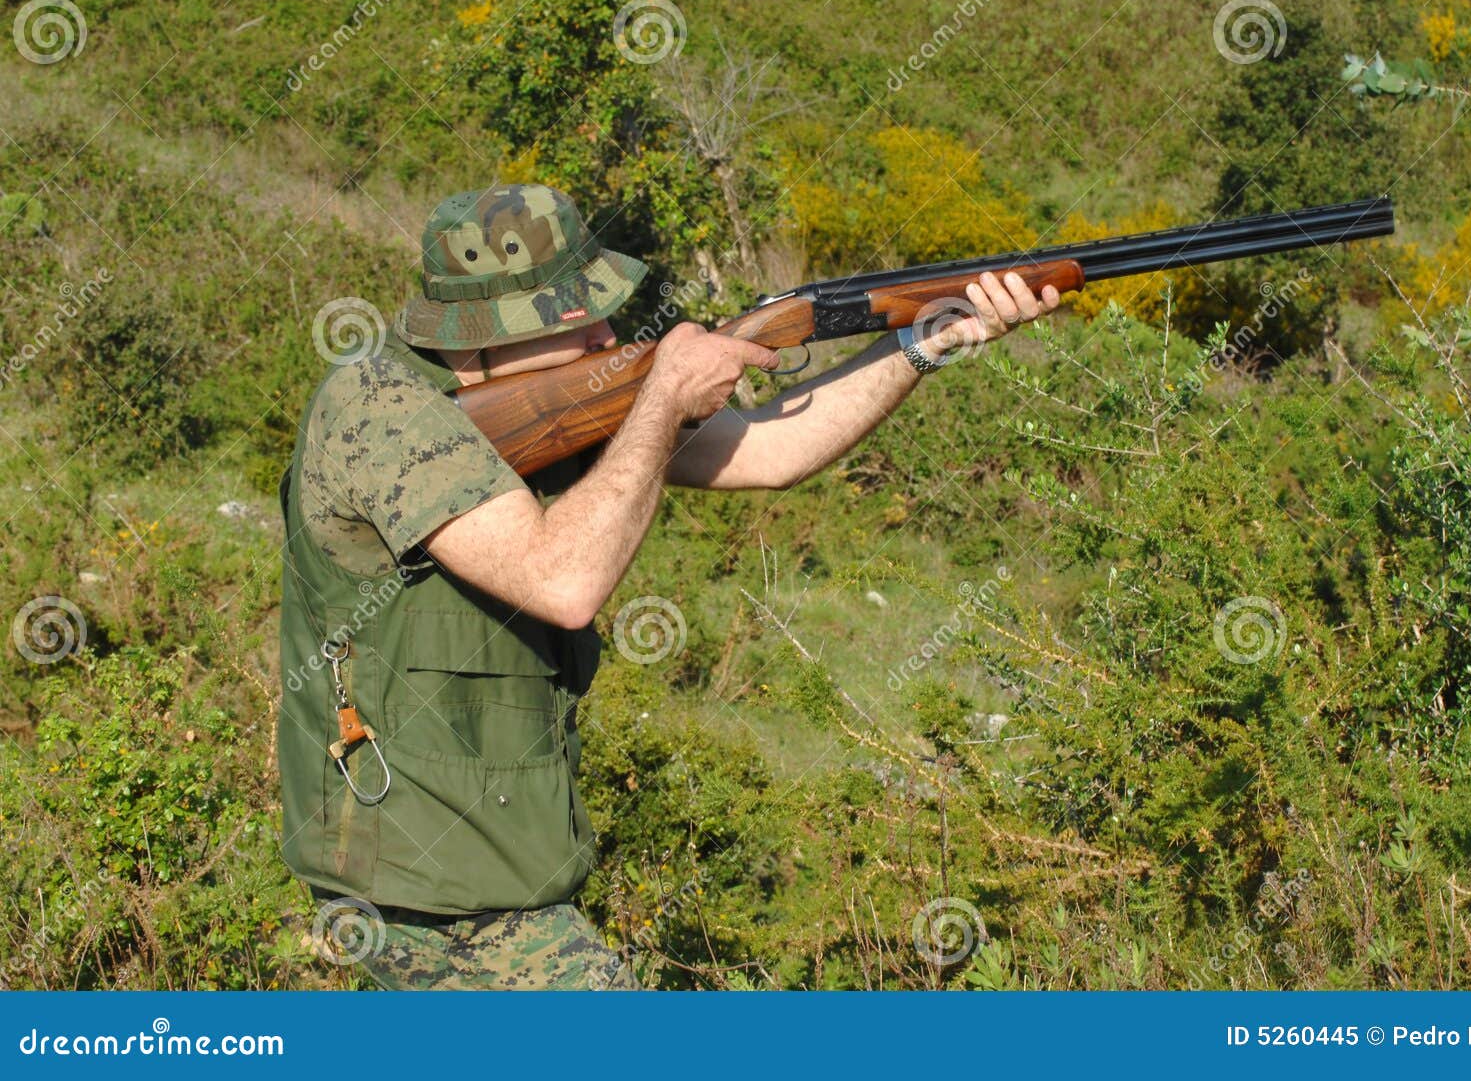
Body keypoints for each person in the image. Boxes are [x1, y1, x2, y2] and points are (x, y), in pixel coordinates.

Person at [277, 182, 1060, 989]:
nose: (611, 336)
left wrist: (924, 342)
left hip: (497, 880)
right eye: (577, 324)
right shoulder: (379, 408)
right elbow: (565, 580)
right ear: (477, 347)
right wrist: (660, 398)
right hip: (408, 897)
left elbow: (769, 449)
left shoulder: (560, 396)